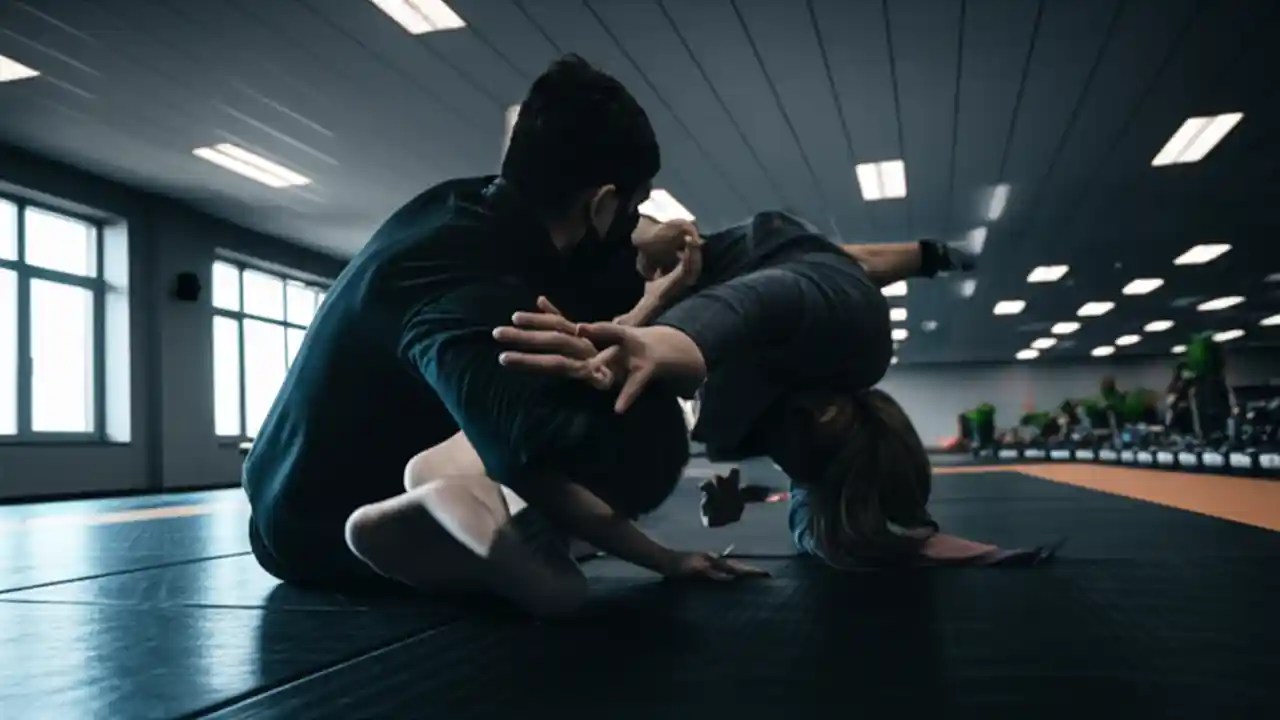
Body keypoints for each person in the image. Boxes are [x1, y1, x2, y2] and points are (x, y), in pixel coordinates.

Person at [241, 55, 761, 618]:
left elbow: (597, 333)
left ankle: (459, 506)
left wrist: (656, 297)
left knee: (569, 383)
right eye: (634, 206)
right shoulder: (480, 301)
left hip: (281, 491)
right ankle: (429, 512)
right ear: (602, 203)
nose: (637, 223)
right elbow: (528, 465)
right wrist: (664, 559)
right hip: (319, 537)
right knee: (565, 581)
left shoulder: (461, 205)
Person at [497, 213, 1057, 568]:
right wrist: (665, 339)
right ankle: (926, 253)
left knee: (844, 265)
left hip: (756, 301)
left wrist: (968, 550)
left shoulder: (744, 429)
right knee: (843, 268)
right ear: (828, 413)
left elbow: (854, 520)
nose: (783, 470)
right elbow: (758, 302)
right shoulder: (855, 334)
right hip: (761, 257)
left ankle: (921, 256)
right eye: (793, 472)